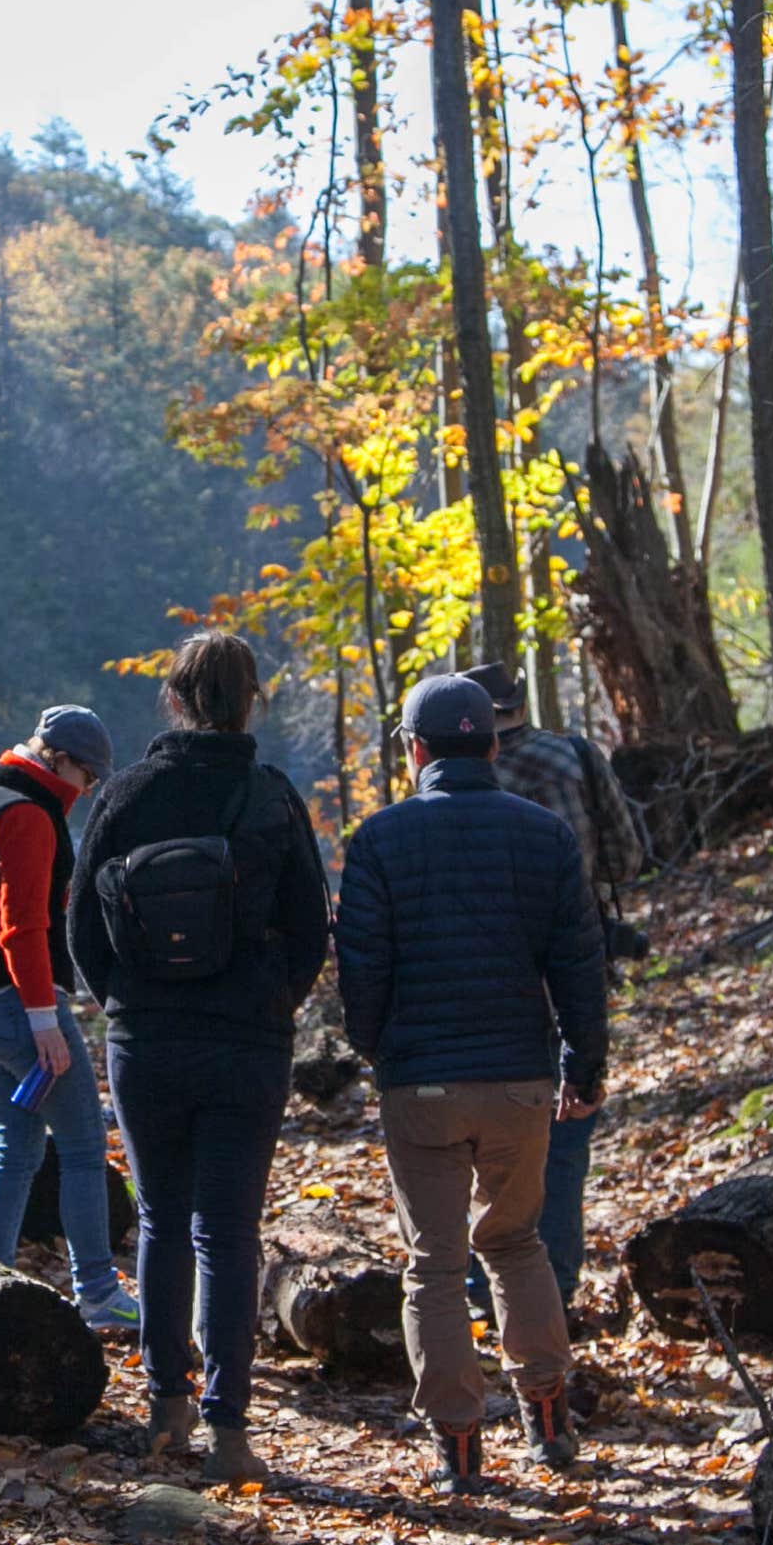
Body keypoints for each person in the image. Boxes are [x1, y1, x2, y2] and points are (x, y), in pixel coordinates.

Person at [66, 631, 330, 1485]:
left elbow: (78, 927)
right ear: (249, 700)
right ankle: (229, 1426)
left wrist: (125, 1005)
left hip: (147, 1042)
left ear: (174, 698)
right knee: (229, 1231)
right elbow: (311, 928)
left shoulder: (124, 794)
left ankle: (164, 1407)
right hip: (248, 1044)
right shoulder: (270, 797)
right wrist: (269, 1007)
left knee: (162, 1221)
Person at [334, 674, 609, 1493]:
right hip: (522, 1079)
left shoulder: (378, 839)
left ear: (415, 752)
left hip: (420, 1081)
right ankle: (548, 1415)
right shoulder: (545, 835)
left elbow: (361, 971)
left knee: (434, 1262)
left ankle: (459, 1446)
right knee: (516, 1241)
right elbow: (580, 965)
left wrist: (379, 1051)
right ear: (492, 744)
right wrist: (583, 1066)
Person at [458, 660, 644, 1312]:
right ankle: (557, 1287)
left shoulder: (454, 782)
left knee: (489, 1145)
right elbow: (628, 859)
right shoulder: (576, 758)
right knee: (565, 1138)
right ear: (520, 701)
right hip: (576, 971)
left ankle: (487, 1290)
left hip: (486, 984)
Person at [0, 706, 138, 1333]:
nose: (87, 792)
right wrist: (45, 1019)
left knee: (17, 1148)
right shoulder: (29, 815)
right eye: (87, 777)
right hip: (15, 1008)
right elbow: (21, 929)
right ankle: (99, 1293)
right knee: (84, 1149)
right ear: (60, 761)